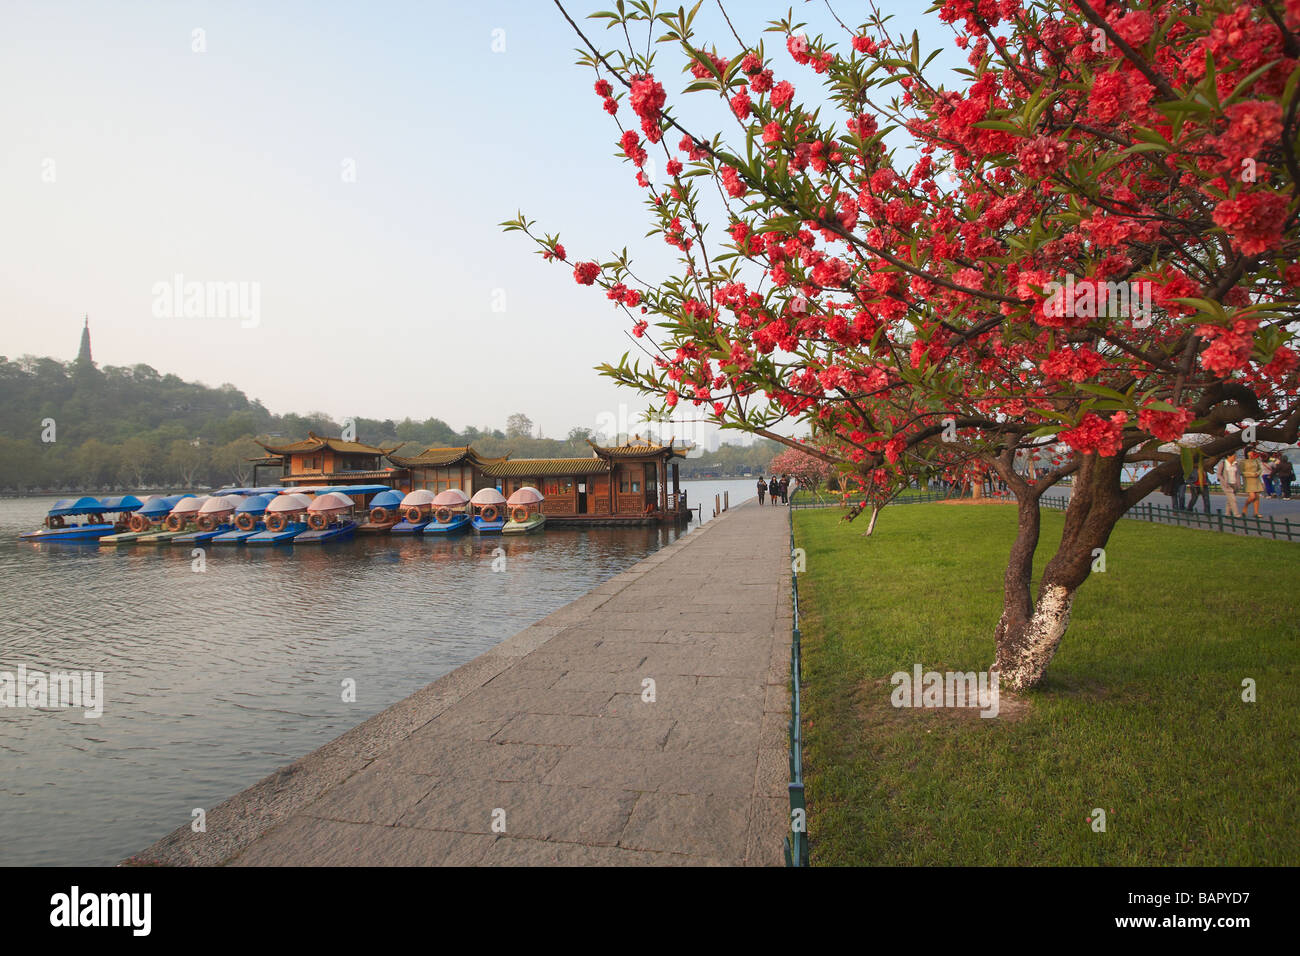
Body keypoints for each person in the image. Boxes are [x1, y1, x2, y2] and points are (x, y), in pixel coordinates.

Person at [1216, 452, 1241, 517]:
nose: (1235, 457)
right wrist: (1223, 481)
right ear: (1228, 456)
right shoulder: (1223, 464)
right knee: (1233, 499)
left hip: (1234, 483)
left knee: (1230, 499)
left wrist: (1239, 483)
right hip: (1226, 484)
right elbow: (1219, 474)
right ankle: (1236, 514)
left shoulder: (1236, 464)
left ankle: (1227, 513)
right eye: (1233, 456)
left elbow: (1238, 474)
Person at [1242, 448, 1263, 517]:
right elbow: (1242, 472)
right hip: (1248, 481)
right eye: (1250, 451)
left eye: (1252, 451)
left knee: (1257, 497)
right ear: (1247, 453)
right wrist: (1251, 474)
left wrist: (1257, 473)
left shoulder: (1256, 460)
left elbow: (1260, 469)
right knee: (1252, 497)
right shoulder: (1243, 462)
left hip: (1256, 480)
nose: (1251, 453)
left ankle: (1256, 513)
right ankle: (1245, 506)